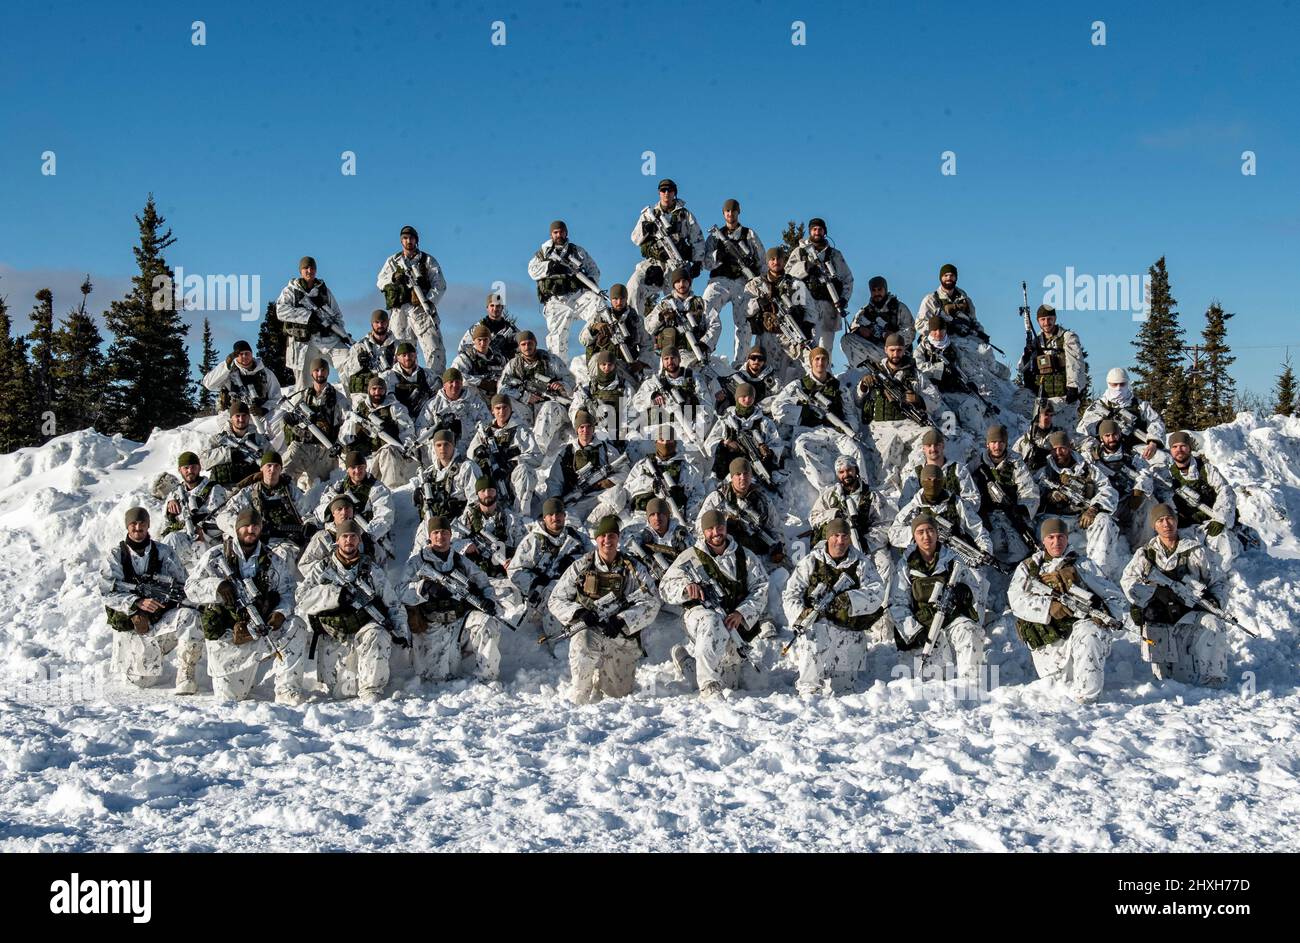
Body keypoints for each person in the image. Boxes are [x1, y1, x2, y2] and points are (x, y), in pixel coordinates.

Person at [185, 508, 308, 705]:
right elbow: (190, 588)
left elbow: (287, 591)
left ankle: (287, 689)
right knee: (231, 698)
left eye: (255, 526)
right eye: (246, 526)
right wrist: (217, 586)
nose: (251, 530)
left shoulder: (273, 559)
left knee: (296, 626)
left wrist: (280, 612)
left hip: (261, 630)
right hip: (228, 638)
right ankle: (244, 678)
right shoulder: (216, 555)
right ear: (237, 528)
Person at [1008, 517, 1128, 703]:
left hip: (1079, 637)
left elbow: (1116, 598)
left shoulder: (1083, 565)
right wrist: (1049, 607)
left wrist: (1104, 613)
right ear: (1043, 540)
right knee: (1056, 690)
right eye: (1051, 537)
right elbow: (1016, 601)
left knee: (1090, 632)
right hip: (1049, 647)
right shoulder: (1028, 568)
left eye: (1061, 537)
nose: (1057, 542)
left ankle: (1087, 699)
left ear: (1067, 539)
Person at [548, 515, 661, 705]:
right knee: (582, 641)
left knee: (618, 695)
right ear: (596, 538)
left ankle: (604, 673)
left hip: (621, 636)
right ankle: (581, 692)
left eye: (612, 536)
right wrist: (579, 613)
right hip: (590, 631)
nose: (607, 540)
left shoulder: (632, 568)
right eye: (603, 536)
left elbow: (652, 601)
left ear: (618, 539)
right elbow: (555, 600)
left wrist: (623, 620)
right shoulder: (581, 566)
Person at [660, 510, 770, 698]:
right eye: (710, 529)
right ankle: (709, 686)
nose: (715, 532)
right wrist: (686, 587)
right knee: (712, 621)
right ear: (703, 532)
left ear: (725, 528)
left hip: (733, 623)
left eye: (719, 527)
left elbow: (761, 587)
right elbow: (665, 587)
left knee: (730, 684)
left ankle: (686, 663)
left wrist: (742, 613)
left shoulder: (745, 556)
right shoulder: (690, 556)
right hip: (701, 617)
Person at [1120, 503, 1231, 687]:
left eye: (1169, 519)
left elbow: (1219, 581)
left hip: (1188, 613)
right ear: (1154, 526)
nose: (1166, 524)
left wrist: (1215, 600)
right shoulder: (1146, 554)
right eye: (1160, 520)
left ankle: (1214, 678)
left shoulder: (1195, 550)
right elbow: (1128, 582)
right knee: (1167, 681)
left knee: (1214, 623)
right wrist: (1149, 598)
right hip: (1159, 617)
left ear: (1176, 521)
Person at [298, 521, 409, 702]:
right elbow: (301, 598)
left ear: (359, 540)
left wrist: (400, 631)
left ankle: (372, 690)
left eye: (353, 537)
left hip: (363, 629)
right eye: (344, 536)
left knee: (378, 632)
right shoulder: (322, 568)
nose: (349, 540)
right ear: (337, 540)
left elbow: (393, 603)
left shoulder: (372, 570)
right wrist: (336, 595)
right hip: (333, 634)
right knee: (341, 693)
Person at [99, 507, 204, 694]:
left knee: (191, 616)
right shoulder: (116, 556)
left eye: (142, 523)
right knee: (142, 682)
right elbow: (107, 593)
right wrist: (136, 603)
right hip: (135, 624)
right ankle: (143, 656)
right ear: (127, 526)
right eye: (133, 523)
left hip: (162, 617)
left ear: (148, 525)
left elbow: (183, 585)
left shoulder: (164, 552)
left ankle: (186, 675)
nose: (138, 527)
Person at [401, 516, 514, 683]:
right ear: (430, 536)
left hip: (460, 622)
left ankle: (487, 679)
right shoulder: (416, 563)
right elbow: (399, 592)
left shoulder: (461, 561)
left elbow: (484, 584)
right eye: (436, 532)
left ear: (450, 534)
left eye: (445, 532)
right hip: (432, 627)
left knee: (487, 624)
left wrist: (487, 599)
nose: (440, 536)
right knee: (436, 679)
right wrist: (423, 588)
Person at [783, 519, 887, 697]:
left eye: (844, 536)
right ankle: (808, 690)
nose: (840, 541)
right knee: (812, 636)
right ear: (828, 537)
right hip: (817, 627)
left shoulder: (861, 563)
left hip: (848, 629)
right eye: (835, 535)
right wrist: (802, 614)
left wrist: (848, 600)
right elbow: (790, 594)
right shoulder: (810, 562)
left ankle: (844, 692)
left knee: (845, 690)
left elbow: (877, 592)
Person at [886, 513, 984, 681]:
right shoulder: (905, 565)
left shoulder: (953, 559)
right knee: (923, 682)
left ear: (937, 533)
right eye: (920, 532)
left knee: (969, 631)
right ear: (914, 536)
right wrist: (915, 632)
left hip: (950, 620)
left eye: (930, 530)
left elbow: (976, 589)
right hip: (922, 627)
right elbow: (897, 603)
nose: (926, 536)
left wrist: (963, 593)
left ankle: (970, 685)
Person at [771, 347, 870, 493]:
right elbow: (777, 408)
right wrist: (803, 412)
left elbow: (850, 414)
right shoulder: (798, 385)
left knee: (853, 449)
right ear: (811, 362)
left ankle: (861, 489)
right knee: (801, 449)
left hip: (833, 431)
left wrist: (848, 426)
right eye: (817, 359)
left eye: (824, 359)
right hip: (807, 431)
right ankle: (829, 491)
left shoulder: (839, 387)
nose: (820, 362)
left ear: (828, 362)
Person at [854, 333, 940, 489]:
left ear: (905, 350)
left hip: (907, 421)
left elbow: (935, 398)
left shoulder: (915, 373)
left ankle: (914, 476)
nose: (896, 354)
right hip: (881, 426)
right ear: (886, 350)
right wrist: (864, 386)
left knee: (929, 436)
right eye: (892, 350)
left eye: (899, 350)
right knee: (884, 469)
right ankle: (887, 491)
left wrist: (918, 399)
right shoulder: (876, 371)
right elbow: (857, 400)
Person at [1036, 430, 1124, 578]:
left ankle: (1098, 574)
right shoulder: (1044, 472)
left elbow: (1108, 489)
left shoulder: (1088, 468)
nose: (1059, 453)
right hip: (1055, 519)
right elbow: (1031, 496)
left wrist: (1094, 508)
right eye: (1055, 449)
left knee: (1105, 521)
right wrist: (1048, 497)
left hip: (1083, 517)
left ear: (1070, 447)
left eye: (1062, 448)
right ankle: (1055, 575)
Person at [509, 497, 593, 647]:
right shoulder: (533, 541)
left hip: (576, 589)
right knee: (553, 594)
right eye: (551, 514)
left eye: (559, 513)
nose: (555, 518)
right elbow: (515, 572)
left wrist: (574, 564)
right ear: (544, 517)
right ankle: (559, 644)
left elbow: (594, 558)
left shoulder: (578, 538)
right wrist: (536, 581)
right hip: (542, 598)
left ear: (564, 515)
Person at [1155, 430, 1243, 565]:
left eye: (1183, 446)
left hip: (1211, 521)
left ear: (1190, 447)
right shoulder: (1167, 474)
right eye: (1174, 447)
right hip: (1187, 525)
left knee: (1221, 544)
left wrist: (1220, 519)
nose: (1179, 450)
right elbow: (1165, 500)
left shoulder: (1206, 470)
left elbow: (1225, 491)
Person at [218, 450, 314, 570]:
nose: (272, 470)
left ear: (281, 469)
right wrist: (244, 530)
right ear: (262, 468)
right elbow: (223, 516)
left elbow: (307, 512)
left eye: (276, 466)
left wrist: (309, 525)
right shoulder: (250, 493)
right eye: (269, 466)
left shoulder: (291, 492)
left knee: (282, 558)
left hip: (285, 540)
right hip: (256, 539)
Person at [626, 178, 705, 317]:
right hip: (655, 263)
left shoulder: (685, 215)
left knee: (678, 305)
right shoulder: (649, 214)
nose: (666, 193)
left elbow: (697, 239)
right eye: (663, 190)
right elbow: (635, 239)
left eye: (670, 190)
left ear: (675, 193)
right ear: (659, 193)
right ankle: (634, 325)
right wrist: (645, 229)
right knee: (634, 286)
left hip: (677, 265)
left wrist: (698, 262)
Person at [526, 219, 602, 361]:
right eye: (555, 232)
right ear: (551, 235)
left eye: (561, 232)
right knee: (557, 341)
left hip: (576, 296)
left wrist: (590, 282)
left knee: (599, 305)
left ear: (566, 232)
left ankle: (589, 337)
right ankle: (560, 375)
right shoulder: (543, 253)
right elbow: (531, 270)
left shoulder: (577, 251)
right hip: (555, 301)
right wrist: (549, 266)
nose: (559, 235)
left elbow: (594, 269)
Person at [376, 224, 448, 372]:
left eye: (411, 238)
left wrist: (427, 300)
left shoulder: (427, 261)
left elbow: (440, 284)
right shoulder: (393, 261)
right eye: (405, 238)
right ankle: (400, 383)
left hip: (421, 309)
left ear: (416, 240)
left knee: (433, 348)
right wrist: (394, 277)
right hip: (400, 311)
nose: (408, 241)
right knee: (400, 350)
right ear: (401, 241)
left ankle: (436, 383)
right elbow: (380, 282)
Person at [703, 198, 766, 362]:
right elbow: (706, 263)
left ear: (738, 212)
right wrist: (719, 255)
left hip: (742, 282)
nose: (730, 214)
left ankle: (740, 362)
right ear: (723, 213)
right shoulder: (715, 237)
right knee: (705, 309)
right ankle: (704, 350)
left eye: (733, 211)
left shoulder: (749, 234)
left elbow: (762, 260)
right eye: (727, 211)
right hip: (719, 280)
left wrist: (760, 283)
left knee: (744, 322)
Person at [629, 341, 719, 455]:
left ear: (679, 359)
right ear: (662, 361)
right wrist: (651, 397)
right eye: (666, 359)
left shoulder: (694, 379)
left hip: (686, 430)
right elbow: (636, 402)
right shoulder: (653, 382)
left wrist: (696, 430)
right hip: (657, 431)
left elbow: (706, 406)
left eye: (673, 358)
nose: (670, 362)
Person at [498, 330, 575, 463]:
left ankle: (538, 451)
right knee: (507, 403)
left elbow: (571, 381)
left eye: (530, 343)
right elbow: (502, 388)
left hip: (550, 405)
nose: (527, 347)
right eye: (523, 344)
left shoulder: (550, 360)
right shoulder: (514, 365)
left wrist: (561, 385)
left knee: (549, 407)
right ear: (519, 347)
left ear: (535, 343)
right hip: (527, 406)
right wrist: (524, 396)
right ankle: (511, 444)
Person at [274, 255, 351, 387]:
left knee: (349, 361)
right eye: (306, 268)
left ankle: (353, 400)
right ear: (300, 271)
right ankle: (302, 406)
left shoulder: (324, 291)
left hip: (327, 339)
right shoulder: (291, 290)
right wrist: (308, 317)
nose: (309, 271)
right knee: (304, 383)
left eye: (312, 268)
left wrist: (341, 333)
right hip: (303, 343)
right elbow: (281, 311)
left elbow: (337, 315)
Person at [967, 424, 1040, 562]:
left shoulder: (1015, 462)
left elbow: (1028, 487)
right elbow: (964, 485)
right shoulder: (976, 463)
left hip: (1010, 512)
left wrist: (1023, 508)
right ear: (987, 444)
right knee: (993, 544)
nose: (997, 446)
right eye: (993, 442)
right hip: (985, 515)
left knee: (1023, 547)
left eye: (1001, 442)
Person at [697, 458, 786, 569]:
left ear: (751, 475)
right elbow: (700, 527)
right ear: (732, 477)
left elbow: (776, 529)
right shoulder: (717, 498)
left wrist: (778, 547)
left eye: (746, 473)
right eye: (738, 474)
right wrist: (724, 525)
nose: (742, 478)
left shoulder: (762, 499)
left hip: (756, 555)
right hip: (724, 553)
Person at [743, 248, 814, 383]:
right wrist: (759, 302)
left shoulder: (796, 284)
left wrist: (805, 325)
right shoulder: (756, 284)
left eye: (779, 259)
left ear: (784, 261)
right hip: (767, 336)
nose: (776, 262)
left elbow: (811, 311)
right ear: (768, 262)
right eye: (772, 259)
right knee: (769, 379)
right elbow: (744, 309)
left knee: (806, 372)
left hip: (793, 335)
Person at [466, 395, 542, 516]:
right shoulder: (485, 432)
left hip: (511, 478)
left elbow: (537, 457)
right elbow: (470, 455)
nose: (501, 412)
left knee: (524, 471)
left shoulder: (521, 430)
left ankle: (521, 516)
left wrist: (512, 462)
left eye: (505, 407)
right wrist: (480, 453)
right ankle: (477, 511)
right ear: (492, 410)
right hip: (490, 478)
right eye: (498, 408)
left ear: (511, 409)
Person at [314, 451, 395, 564]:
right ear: (347, 469)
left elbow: (385, 517)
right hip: (336, 532)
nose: (357, 471)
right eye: (353, 467)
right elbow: (320, 510)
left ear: (366, 467)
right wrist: (336, 506)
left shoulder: (377, 489)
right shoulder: (337, 487)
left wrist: (370, 535)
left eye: (361, 467)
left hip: (364, 534)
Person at [785, 217, 853, 351]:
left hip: (829, 306)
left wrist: (844, 299)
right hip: (807, 306)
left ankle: (826, 372)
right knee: (810, 348)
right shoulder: (799, 252)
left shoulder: (834, 255)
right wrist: (805, 267)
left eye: (820, 229)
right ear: (810, 231)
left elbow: (847, 279)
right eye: (814, 229)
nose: (817, 232)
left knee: (826, 349)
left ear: (824, 232)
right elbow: (787, 276)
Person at [278, 357, 346, 489]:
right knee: (282, 475)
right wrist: (289, 419)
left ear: (327, 372)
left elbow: (347, 423)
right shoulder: (302, 396)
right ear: (311, 373)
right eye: (317, 370)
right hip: (302, 446)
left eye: (323, 370)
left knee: (324, 488)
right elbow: (285, 416)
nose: (320, 373)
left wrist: (339, 444)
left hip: (325, 449)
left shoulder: (338, 398)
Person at [340, 374, 417, 489]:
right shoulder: (359, 410)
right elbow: (344, 436)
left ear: (385, 391)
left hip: (390, 456)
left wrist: (405, 446)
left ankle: (393, 490)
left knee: (388, 450)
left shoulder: (395, 408)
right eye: (374, 389)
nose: (377, 392)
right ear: (368, 390)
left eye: (381, 389)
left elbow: (408, 431)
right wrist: (355, 427)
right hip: (366, 457)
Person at [157, 451, 229, 571]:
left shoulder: (214, 489)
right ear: (180, 470)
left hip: (208, 541)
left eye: (193, 467)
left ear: (199, 468)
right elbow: (167, 524)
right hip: (185, 540)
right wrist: (169, 509)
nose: (190, 471)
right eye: (186, 468)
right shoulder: (176, 493)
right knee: (166, 543)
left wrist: (200, 526)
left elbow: (221, 520)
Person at [703, 381, 784, 487]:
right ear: (737, 398)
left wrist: (769, 451)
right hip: (726, 472)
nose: (747, 400)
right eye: (744, 396)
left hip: (752, 472)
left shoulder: (764, 422)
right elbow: (709, 444)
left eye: (751, 397)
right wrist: (725, 443)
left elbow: (777, 443)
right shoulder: (726, 420)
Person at [1077, 367, 1166, 461]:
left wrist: (1153, 442)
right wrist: (1095, 443)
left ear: (1127, 383)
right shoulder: (1097, 408)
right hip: (1107, 453)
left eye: (1122, 384)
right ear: (1108, 384)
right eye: (1114, 384)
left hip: (1137, 451)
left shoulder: (1140, 406)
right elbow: (1081, 432)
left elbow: (1156, 422)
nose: (1118, 388)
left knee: (1161, 457)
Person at [1021, 304, 1089, 428]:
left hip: (1064, 397)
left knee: (1065, 435)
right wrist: (1027, 355)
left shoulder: (1067, 337)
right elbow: (1022, 367)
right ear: (1038, 321)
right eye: (1043, 319)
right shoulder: (1036, 341)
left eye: (1049, 319)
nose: (1046, 323)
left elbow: (1076, 363)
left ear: (1055, 319)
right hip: (1043, 396)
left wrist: (1073, 387)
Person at [644, 267, 721, 370]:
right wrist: (660, 318)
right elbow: (648, 327)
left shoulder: (701, 303)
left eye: (684, 281)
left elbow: (715, 324)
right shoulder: (664, 304)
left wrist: (705, 343)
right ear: (673, 284)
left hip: (696, 355)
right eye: (677, 281)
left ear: (689, 282)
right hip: (670, 359)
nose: (681, 284)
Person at [202, 340, 282, 433]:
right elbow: (209, 384)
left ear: (251, 354)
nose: (244, 356)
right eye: (241, 354)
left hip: (260, 416)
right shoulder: (228, 373)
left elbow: (276, 397)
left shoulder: (265, 373)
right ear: (236, 356)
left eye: (247, 353)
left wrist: (263, 409)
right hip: (233, 417)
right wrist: (226, 366)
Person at [411, 429, 483, 528]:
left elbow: (476, 500)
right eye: (438, 445)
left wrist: (461, 525)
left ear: (453, 445)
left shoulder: (467, 467)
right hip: (435, 527)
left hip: (460, 525)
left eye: (446, 444)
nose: (442, 448)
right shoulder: (429, 473)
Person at [841, 275, 914, 368]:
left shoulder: (899, 308)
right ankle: (860, 371)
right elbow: (852, 328)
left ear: (885, 290)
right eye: (873, 290)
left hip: (896, 353)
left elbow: (911, 332)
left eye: (879, 290)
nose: (877, 293)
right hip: (874, 349)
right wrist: (859, 330)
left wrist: (893, 338)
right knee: (846, 339)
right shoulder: (864, 311)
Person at [200, 401, 271, 487]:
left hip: (251, 490)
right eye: (237, 416)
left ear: (249, 417)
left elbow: (273, 462)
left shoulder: (259, 440)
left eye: (244, 415)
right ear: (231, 418)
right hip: (222, 491)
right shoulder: (217, 439)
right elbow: (202, 461)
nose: (241, 419)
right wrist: (228, 453)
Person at [342, 309, 400, 395]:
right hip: (364, 393)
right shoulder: (360, 346)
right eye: (377, 322)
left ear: (388, 322)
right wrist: (359, 362)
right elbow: (346, 371)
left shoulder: (397, 345)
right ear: (371, 324)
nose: (380, 325)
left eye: (383, 322)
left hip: (389, 390)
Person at [452, 322, 511, 401]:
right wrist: (481, 382)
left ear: (490, 340)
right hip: (473, 399)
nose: (482, 343)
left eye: (485, 339)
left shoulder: (498, 358)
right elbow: (456, 376)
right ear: (473, 340)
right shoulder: (464, 358)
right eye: (479, 340)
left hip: (497, 397)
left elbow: (509, 374)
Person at [383, 342, 437, 420]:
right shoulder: (388, 377)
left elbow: (440, 395)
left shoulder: (428, 374)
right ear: (397, 358)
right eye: (404, 355)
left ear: (415, 355)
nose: (407, 358)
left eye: (411, 355)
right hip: (399, 419)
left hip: (425, 418)